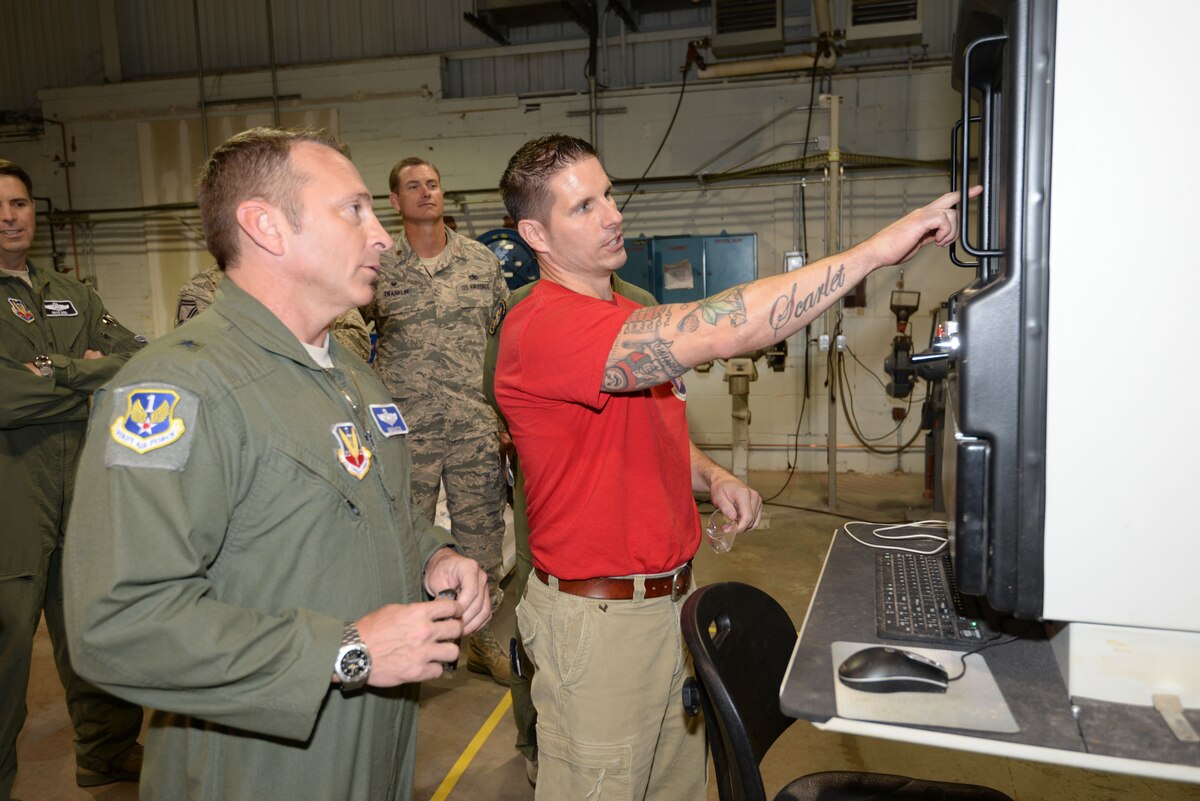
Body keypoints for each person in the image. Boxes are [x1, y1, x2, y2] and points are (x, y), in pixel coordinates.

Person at [494, 133, 968, 800]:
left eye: (608, 194)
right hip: (597, 628)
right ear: (534, 233)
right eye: (583, 207)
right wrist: (876, 251)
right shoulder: (540, 326)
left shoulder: (629, 312)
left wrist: (712, 477)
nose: (612, 214)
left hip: (672, 604)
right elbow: (732, 325)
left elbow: (652, 435)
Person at [63, 127, 490, 801]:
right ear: (266, 226)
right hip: (258, 766)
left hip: (373, 747)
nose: (380, 235)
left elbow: (373, 508)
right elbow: (118, 624)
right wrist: (347, 650)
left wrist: (434, 555)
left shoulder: (351, 373)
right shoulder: (181, 388)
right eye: (352, 211)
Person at [0, 159, 146, 798]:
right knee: (6, 649)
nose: (10, 216)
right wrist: (86, 374)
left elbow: (138, 359)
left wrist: (47, 373)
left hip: (83, 488)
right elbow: (3, 400)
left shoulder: (74, 294)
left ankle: (107, 754)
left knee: (96, 626)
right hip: (12, 496)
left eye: (21, 203)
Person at [482, 272, 657, 788]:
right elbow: (500, 393)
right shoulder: (522, 310)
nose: (605, 218)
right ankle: (533, 739)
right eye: (583, 206)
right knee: (538, 637)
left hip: (620, 511)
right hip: (550, 511)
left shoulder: (639, 303)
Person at [361, 157, 512, 684]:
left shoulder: (481, 263)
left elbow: (498, 339)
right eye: (413, 187)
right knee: (408, 539)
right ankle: (410, 641)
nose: (427, 193)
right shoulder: (378, 265)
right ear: (395, 202)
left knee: (482, 537)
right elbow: (354, 340)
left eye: (433, 184)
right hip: (404, 434)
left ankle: (481, 638)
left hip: (471, 427)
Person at [175, 263, 373, 361]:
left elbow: (356, 341)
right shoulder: (202, 288)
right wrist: (309, 342)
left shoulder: (316, 278)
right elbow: (203, 355)